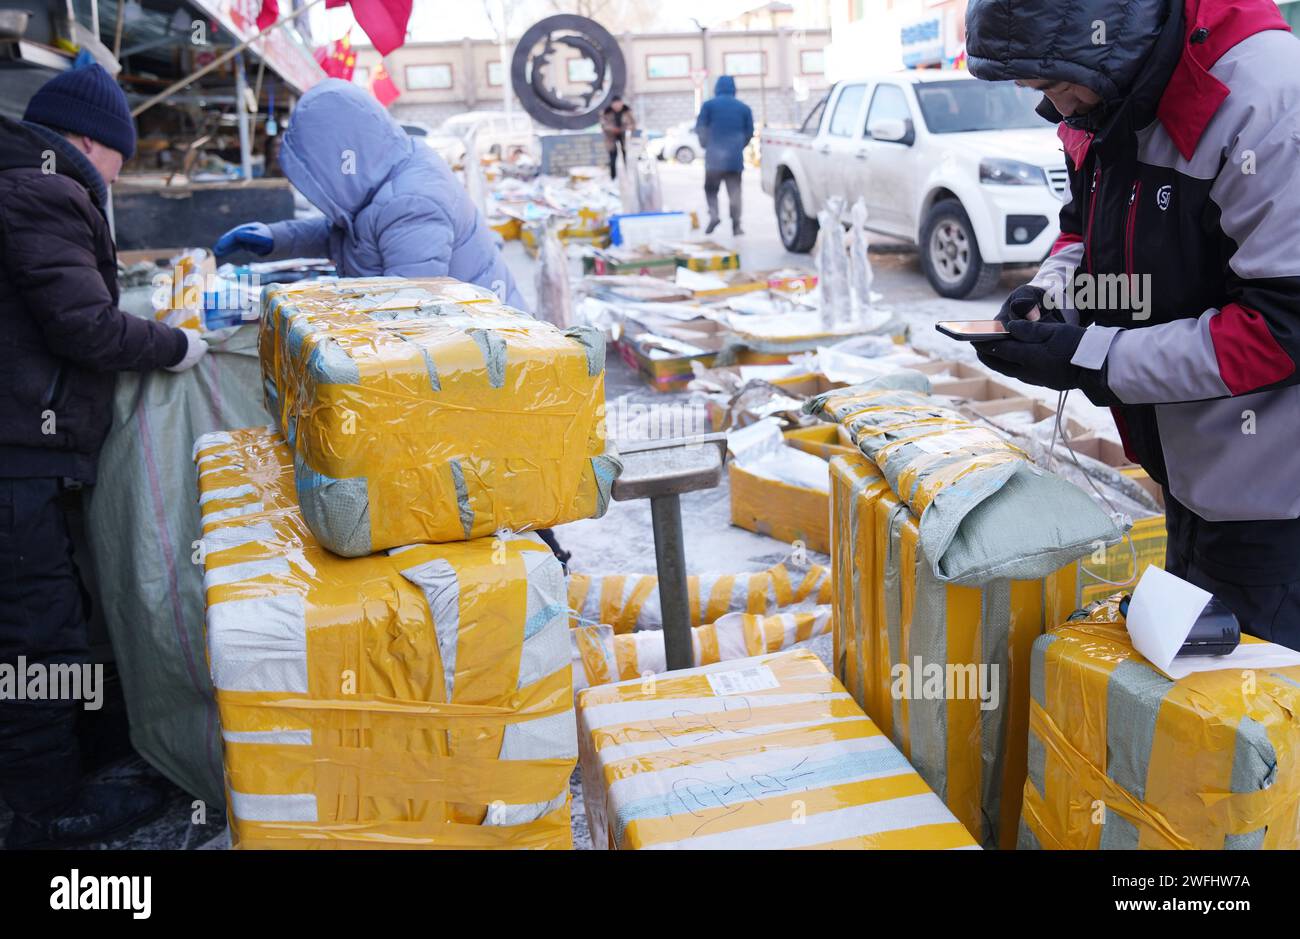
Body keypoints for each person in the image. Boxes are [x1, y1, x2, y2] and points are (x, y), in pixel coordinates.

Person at [965, 0, 1300, 651]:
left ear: (1117, 32)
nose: (1058, 107)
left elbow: (1282, 330)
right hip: (1191, 473)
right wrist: (1048, 292)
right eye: (1041, 90)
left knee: (1261, 722)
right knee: (1196, 705)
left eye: (1057, 85)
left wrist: (1092, 358)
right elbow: (1084, 228)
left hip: (1276, 506)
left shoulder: (1266, 106)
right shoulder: (1108, 89)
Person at [0, 63, 207, 849]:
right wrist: (175, 345)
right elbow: (84, 325)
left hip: (23, 444)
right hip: (17, 452)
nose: (122, 171)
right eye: (122, 153)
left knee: (47, 617)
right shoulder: (44, 190)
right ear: (90, 141)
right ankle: (42, 809)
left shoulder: (25, 179)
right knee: (35, 629)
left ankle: (68, 759)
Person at [214, 79, 525, 310]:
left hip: (486, 362)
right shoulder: (381, 178)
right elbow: (344, 233)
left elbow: (407, 311)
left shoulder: (412, 204)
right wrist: (275, 237)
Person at [694, 75, 754, 236]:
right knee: (735, 193)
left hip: (714, 159)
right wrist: (739, 146)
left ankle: (714, 215)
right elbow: (749, 133)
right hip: (735, 159)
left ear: (717, 88)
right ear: (734, 88)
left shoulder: (708, 106)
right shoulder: (743, 108)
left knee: (711, 189)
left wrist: (707, 144)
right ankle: (736, 226)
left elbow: (700, 128)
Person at [600, 95, 635, 180]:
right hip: (611, 138)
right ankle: (613, 178)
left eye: (618, 103)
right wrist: (613, 129)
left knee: (626, 157)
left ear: (621, 103)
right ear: (612, 104)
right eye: (615, 104)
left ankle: (628, 175)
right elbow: (603, 125)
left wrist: (626, 129)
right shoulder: (606, 112)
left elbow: (632, 124)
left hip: (624, 137)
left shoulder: (627, 111)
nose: (617, 106)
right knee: (613, 159)